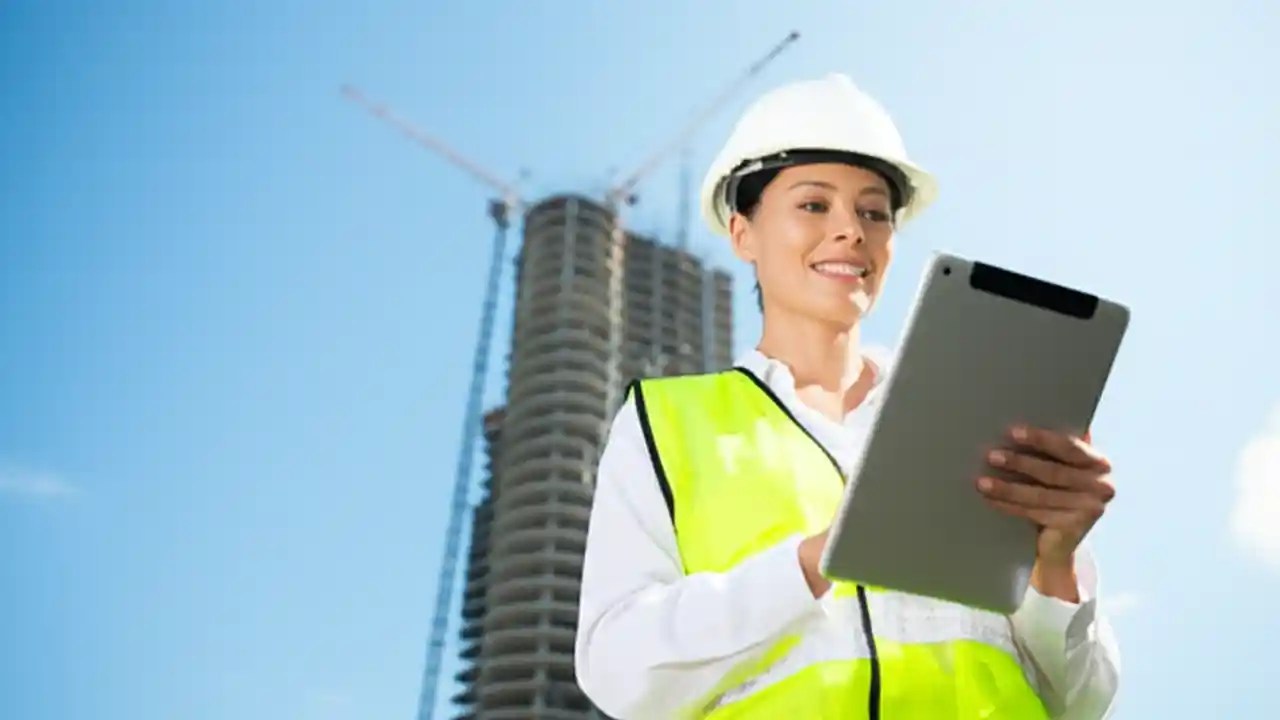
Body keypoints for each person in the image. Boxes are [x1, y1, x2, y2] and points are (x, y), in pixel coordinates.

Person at [573, 73, 1121, 719]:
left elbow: (1085, 699)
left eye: (873, 212)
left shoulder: (977, 414)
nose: (851, 231)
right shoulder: (666, 421)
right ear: (743, 233)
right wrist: (809, 565)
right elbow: (618, 671)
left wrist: (1056, 566)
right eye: (813, 204)